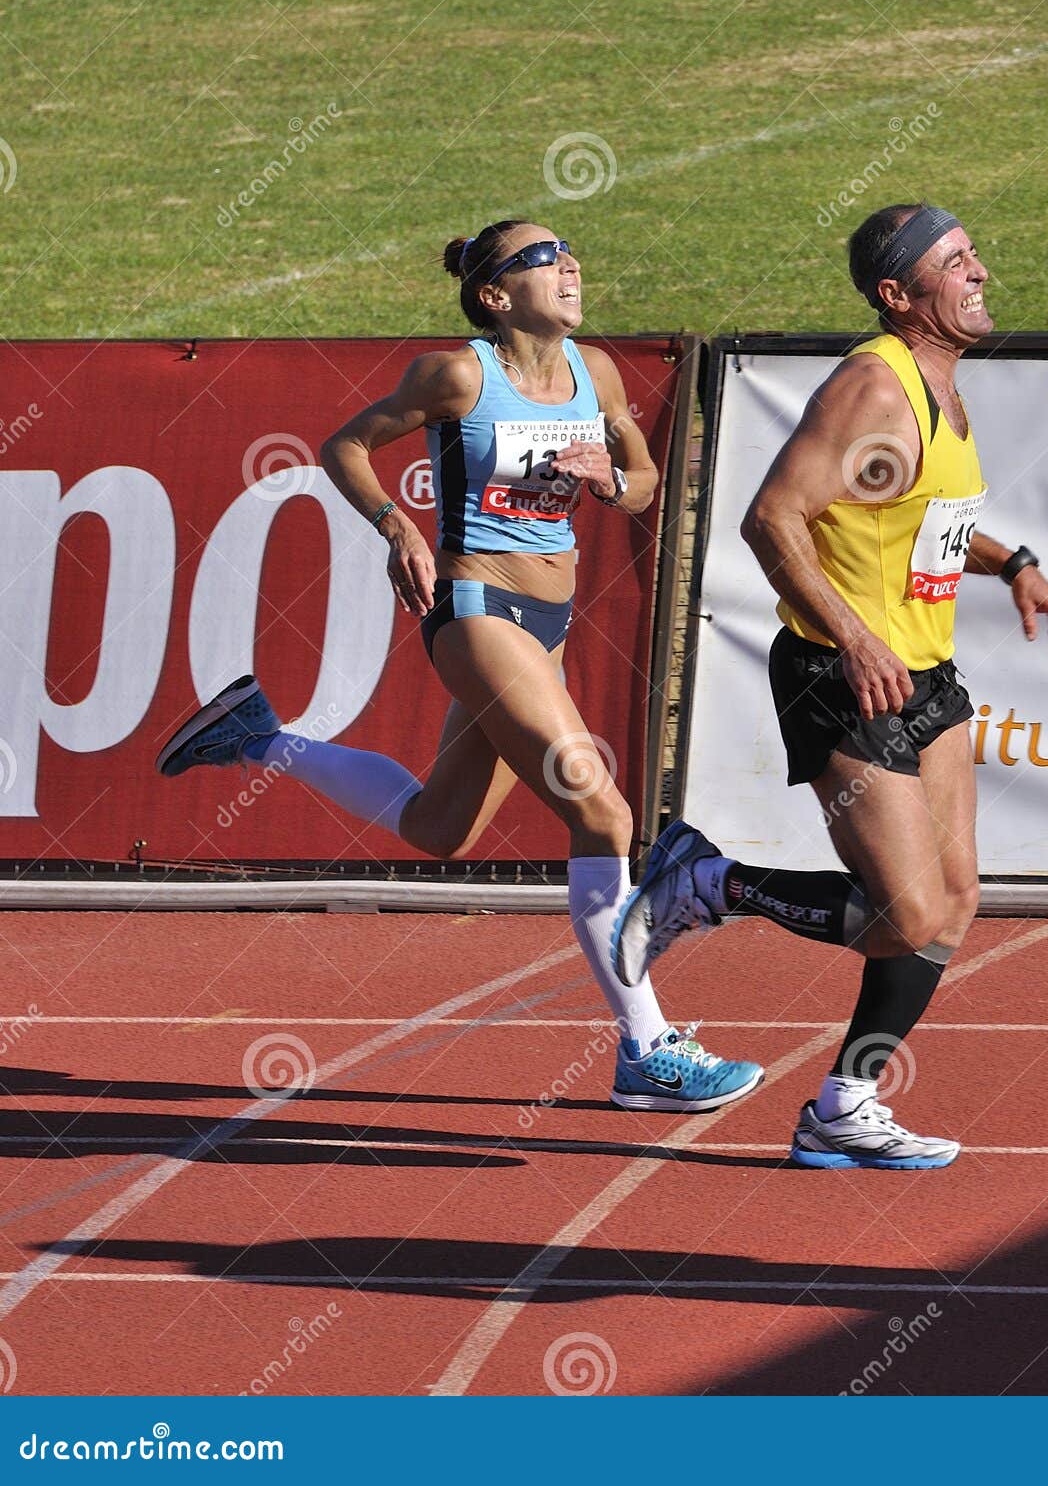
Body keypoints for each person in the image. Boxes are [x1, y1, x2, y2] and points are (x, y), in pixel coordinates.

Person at [157, 219, 762, 1114]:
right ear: (494, 294)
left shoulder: (592, 372)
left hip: (548, 617)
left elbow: (645, 480)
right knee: (601, 809)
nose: (569, 266)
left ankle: (257, 738)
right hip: (477, 610)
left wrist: (608, 476)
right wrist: (397, 526)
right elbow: (345, 447)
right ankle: (648, 1048)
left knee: (441, 829)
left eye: (568, 251)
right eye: (543, 259)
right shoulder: (459, 376)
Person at [615, 203, 1048, 1167]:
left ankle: (843, 1104)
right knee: (903, 913)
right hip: (840, 672)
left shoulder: (944, 391)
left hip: (924, 673)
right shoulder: (876, 383)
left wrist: (1014, 561)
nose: (979, 270)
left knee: (952, 907)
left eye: (974, 252)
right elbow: (772, 517)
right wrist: (857, 636)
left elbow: (919, 518)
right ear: (899, 294)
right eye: (955, 262)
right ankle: (708, 880)